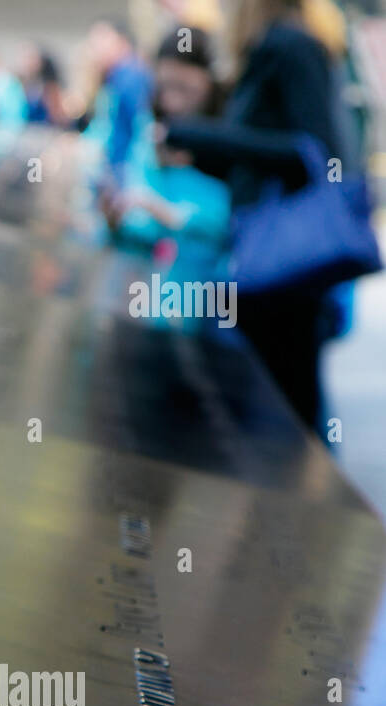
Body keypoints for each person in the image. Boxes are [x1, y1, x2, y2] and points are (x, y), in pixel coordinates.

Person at [164, 0, 350, 431]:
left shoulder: (290, 47)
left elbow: (316, 155)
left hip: (285, 270)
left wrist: (201, 137)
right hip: (266, 265)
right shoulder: (272, 47)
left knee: (285, 422)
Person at [101, 25, 230, 331]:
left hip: (207, 306)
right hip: (149, 304)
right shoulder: (151, 134)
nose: (173, 102)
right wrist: (115, 220)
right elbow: (138, 233)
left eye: (185, 88)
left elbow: (228, 226)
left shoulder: (226, 139)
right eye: (166, 87)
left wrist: (165, 212)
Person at [84, 18, 153, 183]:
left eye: (102, 39)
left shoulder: (130, 76)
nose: (96, 48)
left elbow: (134, 129)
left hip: (129, 171)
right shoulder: (116, 77)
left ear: (123, 42)